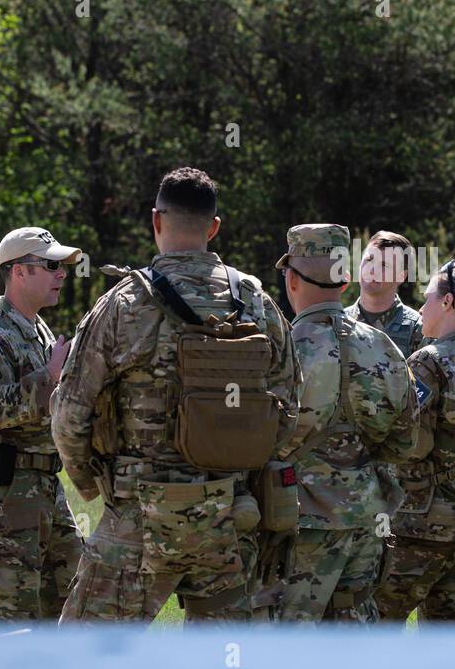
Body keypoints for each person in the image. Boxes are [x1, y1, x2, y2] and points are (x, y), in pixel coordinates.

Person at [52, 167, 300, 623]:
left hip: (137, 517)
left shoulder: (123, 304)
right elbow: (289, 408)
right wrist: (241, 467)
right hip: (230, 516)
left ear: (155, 221)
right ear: (214, 227)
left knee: (84, 661)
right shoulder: (256, 302)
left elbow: (69, 415)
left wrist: (91, 483)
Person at [275, 223, 419, 623]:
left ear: (291, 278)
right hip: (369, 516)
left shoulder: (283, 349)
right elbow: (406, 440)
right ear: (344, 280)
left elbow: (259, 440)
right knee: (354, 636)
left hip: (301, 520)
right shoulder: (382, 344)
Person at [0, 226, 83, 622]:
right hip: (6, 497)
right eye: (50, 265)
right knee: (11, 619)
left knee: (69, 606)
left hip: (46, 488)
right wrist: (51, 376)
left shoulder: (38, 330)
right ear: (18, 272)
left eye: (62, 266)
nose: (62, 273)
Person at [375, 260, 455, 625]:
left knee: (374, 626)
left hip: (420, 523)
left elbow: (403, 436)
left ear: (446, 304)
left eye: (427, 299)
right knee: (449, 639)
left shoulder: (428, 361)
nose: (422, 308)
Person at [344, 230, 426, 356]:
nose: (372, 270)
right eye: (369, 260)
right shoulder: (339, 322)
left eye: (383, 265)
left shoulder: (417, 329)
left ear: (401, 276)